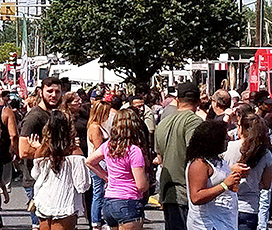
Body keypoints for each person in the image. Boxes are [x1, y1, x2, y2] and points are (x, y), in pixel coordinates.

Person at [86, 108, 149, 230]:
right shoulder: (134, 150)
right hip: (128, 201)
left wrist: (105, 176)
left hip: (110, 201)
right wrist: (149, 184)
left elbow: (89, 161)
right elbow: (141, 185)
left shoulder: (108, 146)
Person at [154, 81, 202, 230]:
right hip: (186, 191)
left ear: (177, 100)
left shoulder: (163, 123)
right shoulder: (194, 121)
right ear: (198, 101)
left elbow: (159, 157)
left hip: (169, 191)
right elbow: (197, 155)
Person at [32, 110, 90, 230]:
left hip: (44, 201)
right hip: (64, 202)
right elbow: (82, 185)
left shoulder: (41, 150)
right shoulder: (74, 152)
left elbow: (35, 175)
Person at [19, 77, 62, 230]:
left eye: (57, 91)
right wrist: (51, 151)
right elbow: (23, 151)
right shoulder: (34, 117)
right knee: (40, 224)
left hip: (53, 178)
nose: (54, 95)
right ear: (40, 92)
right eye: (49, 91)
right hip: (36, 179)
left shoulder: (55, 114)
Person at [185, 120, 243, 230]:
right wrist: (225, 185)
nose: (228, 140)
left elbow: (216, 179)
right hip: (207, 224)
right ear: (214, 141)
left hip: (224, 221)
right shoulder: (199, 164)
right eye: (224, 139)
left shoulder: (217, 160)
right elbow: (196, 197)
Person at [223, 113, 272, 230]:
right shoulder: (265, 153)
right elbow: (266, 184)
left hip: (227, 205)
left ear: (242, 128)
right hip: (249, 208)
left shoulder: (228, 148)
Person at [86, 100, 111, 230]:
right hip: (98, 163)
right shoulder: (95, 127)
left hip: (98, 163)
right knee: (98, 192)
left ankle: (96, 219)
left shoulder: (95, 125)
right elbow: (99, 148)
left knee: (99, 192)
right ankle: (96, 220)